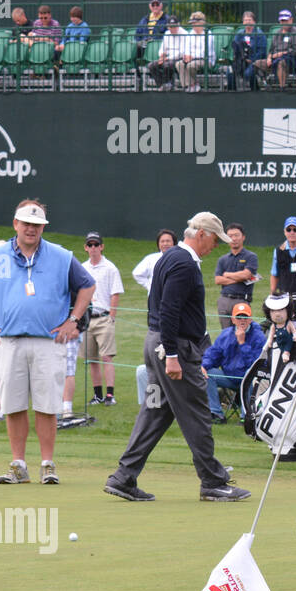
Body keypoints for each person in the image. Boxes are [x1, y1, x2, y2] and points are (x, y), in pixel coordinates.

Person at [105, 212, 247, 502]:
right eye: (214, 241)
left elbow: (171, 310)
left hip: (158, 343)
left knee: (155, 413)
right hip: (173, 349)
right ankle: (212, 481)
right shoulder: (184, 264)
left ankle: (124, 476)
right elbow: (170, 309)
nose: (215, 247)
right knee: (197, 412)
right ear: (202, 234)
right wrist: (172, 354)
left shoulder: (170, 258)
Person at [0, 201, 95, 486]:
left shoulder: (61, 256)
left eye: (36, 225)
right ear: (15, 224)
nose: (31, 229)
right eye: (26, 223)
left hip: (49, 340)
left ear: (43, 227)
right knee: (13, 405)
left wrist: (73, 319)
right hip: (8, 341)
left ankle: (47, 463)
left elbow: (87, 285)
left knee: (48, 405)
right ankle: (19, 464)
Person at [203, 302, 266, 424]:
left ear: (250, 319)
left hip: (249, 379)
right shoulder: (226, 335)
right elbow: (213, 354)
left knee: (250, 374)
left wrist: (242, 343)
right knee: (207, 373)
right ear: (232, 319)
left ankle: (246, 415)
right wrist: (204, 365)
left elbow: (256, 364)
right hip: (229, 377)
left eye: (245, 317)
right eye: (239, 317)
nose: (242, 320)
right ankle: (216, 413)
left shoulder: (259, 336)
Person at [80, 232, 124, 406]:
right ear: (85, 248)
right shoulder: (82, 268)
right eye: (90, 245)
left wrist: (111, 317)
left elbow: (115, 293)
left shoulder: (110, 268)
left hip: (103, 317)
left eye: (96, 245)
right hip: (87, 319)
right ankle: (97, 395)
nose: (93, 248)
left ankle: (109, 395)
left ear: (101, 247)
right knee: (91, 359)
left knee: (107, 357)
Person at [211, 222, 258, 331]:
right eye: (230, 236)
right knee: (226, 334)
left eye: (236, 235)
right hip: (224, 300)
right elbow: (218, 280)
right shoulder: (222, 259)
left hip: (242, 300)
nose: (233, 238)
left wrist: (227, 275)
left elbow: (247, 274)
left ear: (243, 237)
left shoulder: (251, 256)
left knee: (242, 333)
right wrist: (239, 278)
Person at [256, 9, 296, 89]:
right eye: (282, 21)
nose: (283, 23)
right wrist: (269, 58)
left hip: (292, 61)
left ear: (291, 20)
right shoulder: (277, 33)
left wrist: (280, 54)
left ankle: (282, 89)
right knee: (257, 63)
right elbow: (271, 49)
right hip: (274, 59)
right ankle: (265, 84)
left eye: (286, 20)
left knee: (281, 63)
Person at [229, 11, 267, 91]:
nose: (247, 22)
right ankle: (232, 93)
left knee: (248, 73)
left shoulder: (260, 34)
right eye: (245, 20)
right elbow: (235, 48)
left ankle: (255, 91)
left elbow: (262, 51)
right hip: (241, 60)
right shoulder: (239, 34)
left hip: (255, 61)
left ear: (254, 21)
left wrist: (252, 59)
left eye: (249, 20)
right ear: (243, 22)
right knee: (230, 72)